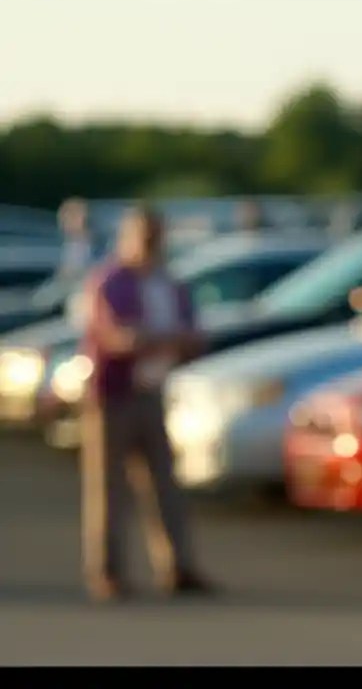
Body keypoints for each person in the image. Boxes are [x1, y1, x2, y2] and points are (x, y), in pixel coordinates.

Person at [79, 203, 216, 602]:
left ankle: (179, 567)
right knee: (109, 490)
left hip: (154, 393)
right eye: (146, 234)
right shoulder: (110, 282)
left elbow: (194, 336)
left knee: (165, 486)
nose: (153, 242)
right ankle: (107, 573)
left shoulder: (169, 283)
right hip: (113, 396)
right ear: (128, 236)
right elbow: (120, 338)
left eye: (158, 234)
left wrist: (161, 340)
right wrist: (166, 340)